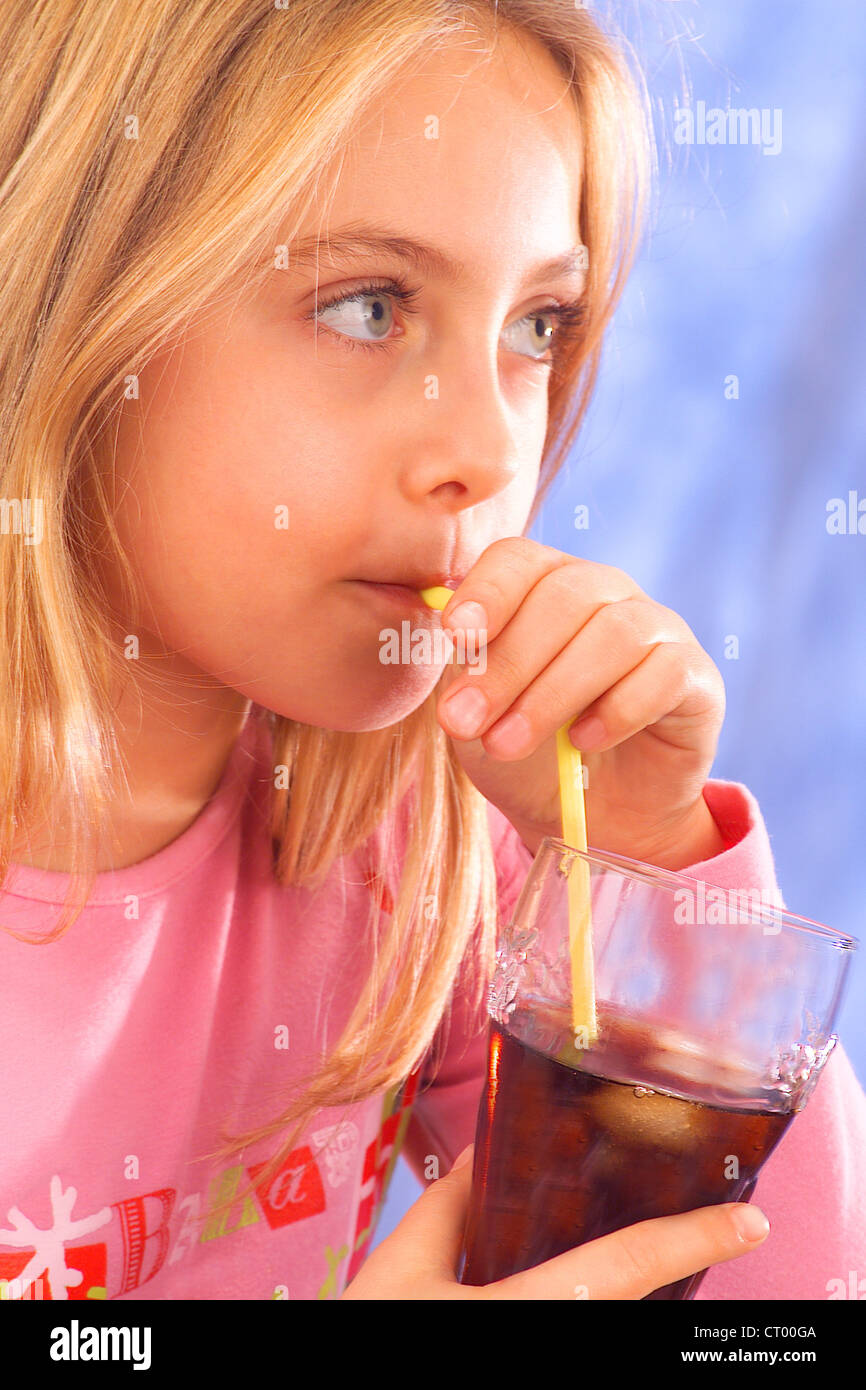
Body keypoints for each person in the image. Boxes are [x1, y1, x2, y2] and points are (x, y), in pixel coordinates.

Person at [0, 0, 862, 1302]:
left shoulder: (424, 841)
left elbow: (754, 1310)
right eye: (366, 307)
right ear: (71, 294)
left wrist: (643, 875)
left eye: (537, 327)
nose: (489, 450)